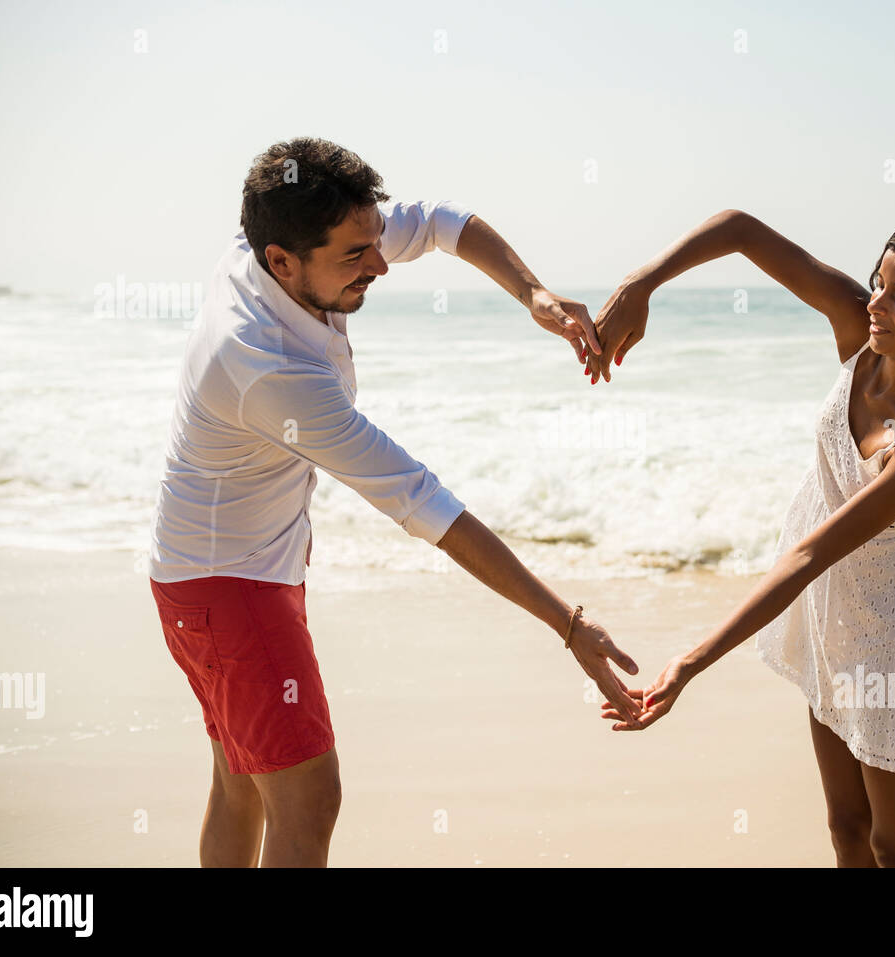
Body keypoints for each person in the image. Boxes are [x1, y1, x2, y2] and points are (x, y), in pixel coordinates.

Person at [147, 137, 643, 868]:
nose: (379, 264)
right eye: (355, 257)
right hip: (232, 589)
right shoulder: (269, 368)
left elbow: (442, 222)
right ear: (281, 261)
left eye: (374, 241)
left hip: (204, 572)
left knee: (243, 777)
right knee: (307, 799)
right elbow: (425, 503)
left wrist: (532, 292)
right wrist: (566, 623)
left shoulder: (270, 235)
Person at [594, 210, 895, 866]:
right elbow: (742, 230)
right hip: (833, 615)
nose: (876, 305)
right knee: (845, 824)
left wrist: (690, 663)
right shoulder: (858, 332)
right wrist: (645, 281)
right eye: (877, 284)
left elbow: (806, 555)